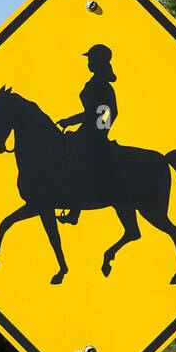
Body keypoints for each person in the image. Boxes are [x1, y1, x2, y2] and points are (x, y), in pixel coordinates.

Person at [56, 45, 118, 223]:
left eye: (91, 59)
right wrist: (72, 122)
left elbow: (107, 111)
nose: (88, 62)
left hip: (95, 134)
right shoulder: (94, 82)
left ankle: (74, 211)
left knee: (76, 159)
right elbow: (90, 112)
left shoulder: (104, 87)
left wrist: (98, 130)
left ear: (98, 62)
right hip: (87, 130)